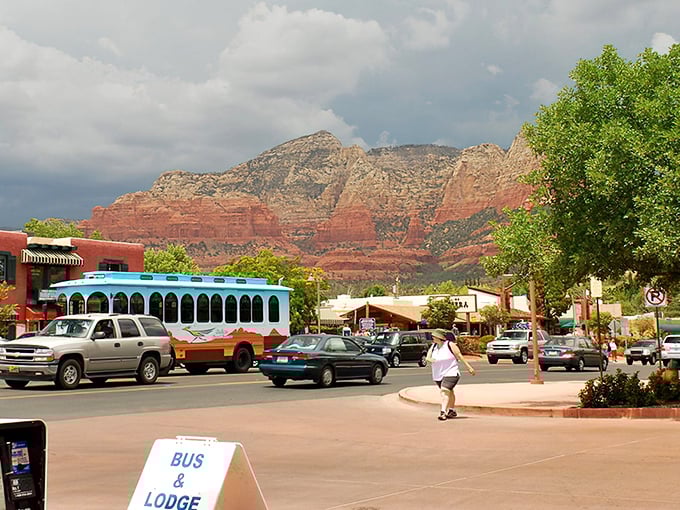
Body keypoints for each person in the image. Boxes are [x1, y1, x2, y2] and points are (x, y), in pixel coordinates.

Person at [426, 328, 476, 421]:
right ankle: (452, 410)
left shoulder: (450, 345)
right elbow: (428, 357)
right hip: (438, 374)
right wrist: (430, 360)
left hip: (451, 372)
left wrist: (469, 367)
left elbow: (459, 356)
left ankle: (443, 412)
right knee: (449, 391)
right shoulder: (433, 347)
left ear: (440, 337)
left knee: (444, 391)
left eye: (434, 336)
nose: (432, 338)